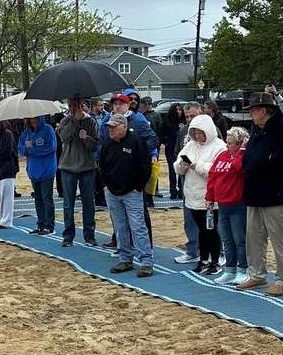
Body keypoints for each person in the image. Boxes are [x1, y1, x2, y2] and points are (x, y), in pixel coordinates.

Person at [237, 90, 283, 297]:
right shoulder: (257, 128)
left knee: (278, 239)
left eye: (253, 111)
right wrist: (249, 160)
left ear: (263, 111)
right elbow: (252, 153)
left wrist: (270, 159)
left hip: (277, 193)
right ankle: (257, 274)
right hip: (255, 191)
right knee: (254, 237)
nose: (250, 115)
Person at [100, 113, 154, 276]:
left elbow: (145, 167)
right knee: (119, 227)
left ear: (123, 127)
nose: (111, 130)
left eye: (114, 127)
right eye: (109, 127)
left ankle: (146, 261)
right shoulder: (108, 143)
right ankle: (125, 259)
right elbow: (102, 166)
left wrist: (138, 187)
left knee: (138, 226)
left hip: (131, 192)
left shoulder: (136, 142)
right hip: (112, 192)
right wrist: (105, 185)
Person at [178, 114, 226, 274]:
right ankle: (203, 259)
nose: (198, 136)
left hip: (209, 197)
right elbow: (177, 166)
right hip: (192, 195)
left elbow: (217, 170)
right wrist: (182, 164)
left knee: (211, 229)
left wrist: (197, 166)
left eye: (201, 133)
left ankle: (215, 260)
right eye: (195, 133)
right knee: (201, 229)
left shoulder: (219, 147)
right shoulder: (190, 145)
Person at [205, 126, 248, 285]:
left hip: (238, 205)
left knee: (240, 240)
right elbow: (213, 175)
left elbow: (240, 168)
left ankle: (243, 270)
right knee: (227, 240)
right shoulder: (222, 155)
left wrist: (241, 152)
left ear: (239, 144)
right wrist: (210, 196)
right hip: (222, 205)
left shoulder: (243, 157)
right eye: (227, 142)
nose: (227, 145)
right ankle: (230, 270)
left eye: (230, 143)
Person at [56, 96, 98, 247]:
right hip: (68, 167)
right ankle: (68, 236)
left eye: (76, 105)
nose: (74, 108)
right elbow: (64, 138)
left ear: (82, 106)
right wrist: (74, 121)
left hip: (87, 167)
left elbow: (95, 146)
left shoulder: (90, 122)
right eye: (71, 106)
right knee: (68, 203)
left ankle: (89, 234)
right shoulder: (65, 121)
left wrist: (87, 138)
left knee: (88, 202)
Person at [173, 102, 203, 263]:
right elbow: (177, 153)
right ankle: (193, 250)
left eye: (193, 116)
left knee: (209, 218)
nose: (190, 119)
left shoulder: (212, 131)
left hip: (205, 178)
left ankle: (217, 252)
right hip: (187, 177)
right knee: (189, 215)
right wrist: (181, 164)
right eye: (187, 117)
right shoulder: (183, 131)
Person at [19, 115, 58, 235]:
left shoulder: (48, 129)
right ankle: (40, 224)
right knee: (38, 199)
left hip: (46, 170)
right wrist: (27, 148)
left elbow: (51, 147)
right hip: (33, 171)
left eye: (36, 118)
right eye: (31, 118)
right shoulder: (27, 132)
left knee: (47, 198)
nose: (33, 120)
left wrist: (32, 149)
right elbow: (20, 148)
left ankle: (49, 226)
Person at [159, 105, 186, 198]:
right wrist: (166, 142)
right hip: (170, 148)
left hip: (183, 149)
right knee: (172, 170)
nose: (178, 112)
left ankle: (181, 190)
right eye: (176, 110)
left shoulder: (184, 121)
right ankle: (173, 191)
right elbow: (161, 133)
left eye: (180, 109)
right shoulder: (167, 121)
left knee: (182, 169)